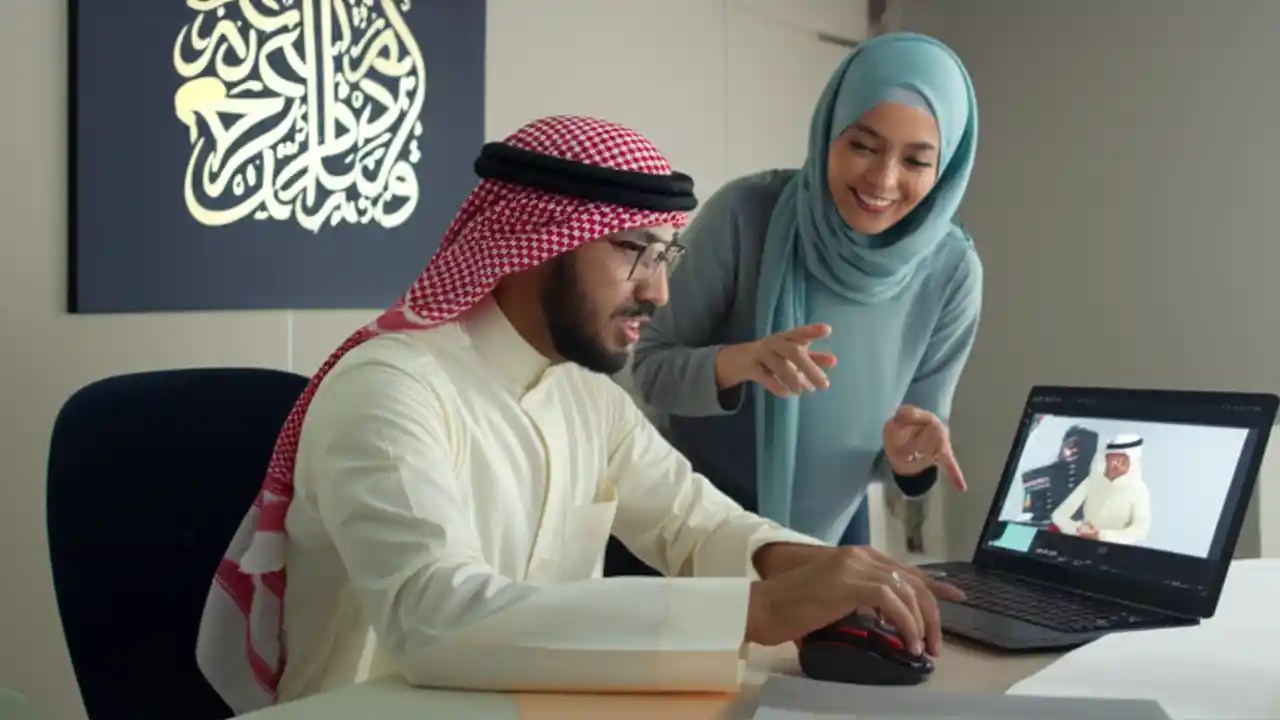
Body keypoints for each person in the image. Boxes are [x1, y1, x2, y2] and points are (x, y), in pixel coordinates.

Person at [193, 115, 964, 715]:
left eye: (666, 258)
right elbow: (434, 618)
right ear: (536, 243)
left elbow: (695, 525)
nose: (659, 293)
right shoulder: (392, 390)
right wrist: (757, 609)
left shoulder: (586, 398)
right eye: (634, 251)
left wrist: (832, 571)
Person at [624, 32, 982, 557]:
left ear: (945, 167)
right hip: (689, 523)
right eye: (863, 145)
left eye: (916, 161)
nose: (883, 179)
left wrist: (911, 461)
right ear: (829, 132)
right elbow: (649, 373)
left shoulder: (953, 272)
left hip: (829, 540)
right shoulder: (745, 215)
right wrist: (741, 362)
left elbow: (918, 437)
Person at [1051, 433, 1152, 544]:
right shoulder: (1091, 481)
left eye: (1122, 462)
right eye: (1112, 460)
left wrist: (1101, 535)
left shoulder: (1139, 489)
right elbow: (1059, 515)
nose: (1116, 466)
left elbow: (1140, 531)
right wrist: (1078, 529)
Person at [1018, 425, 1100, 526]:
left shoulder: (1100, 481)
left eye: (1084, 448)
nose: (1075, 451)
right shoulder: (1036, 476)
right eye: (1071, 445)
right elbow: (1029, 516)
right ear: (1063, 445)